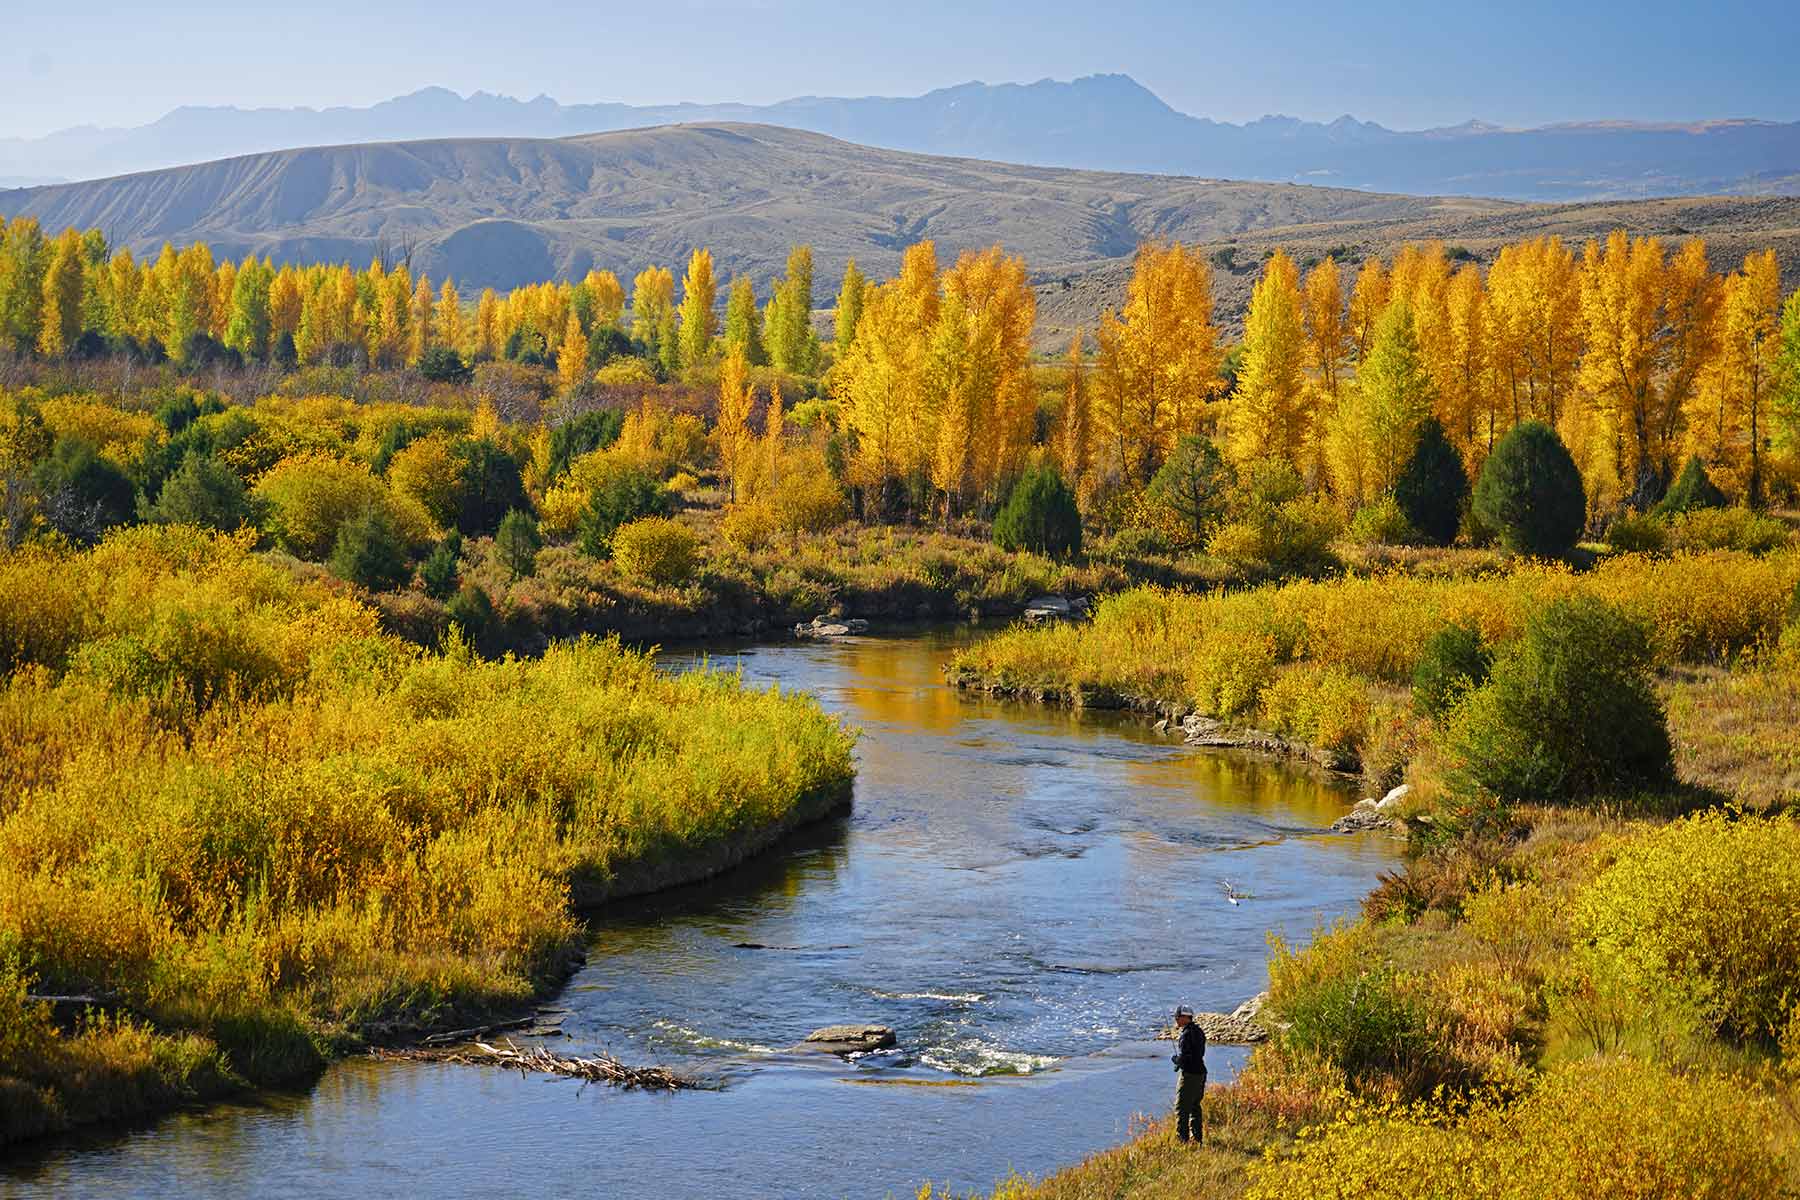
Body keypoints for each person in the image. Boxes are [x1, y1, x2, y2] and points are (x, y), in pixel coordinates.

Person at [1170, 1005, 1206, 1144]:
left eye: (1178, 1016)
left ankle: (1182, 1141)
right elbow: (1197, 1054)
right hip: (1201, 1072)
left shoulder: (1186, 1035)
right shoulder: (1199, 1031)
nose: (1176, 1019)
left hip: (1190, 1075)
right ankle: (1197, 1139)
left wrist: (1177, 1060)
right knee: (1195, 1106)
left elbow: (1187, 1058)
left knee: (1181, 1108)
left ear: (1185, 1017)